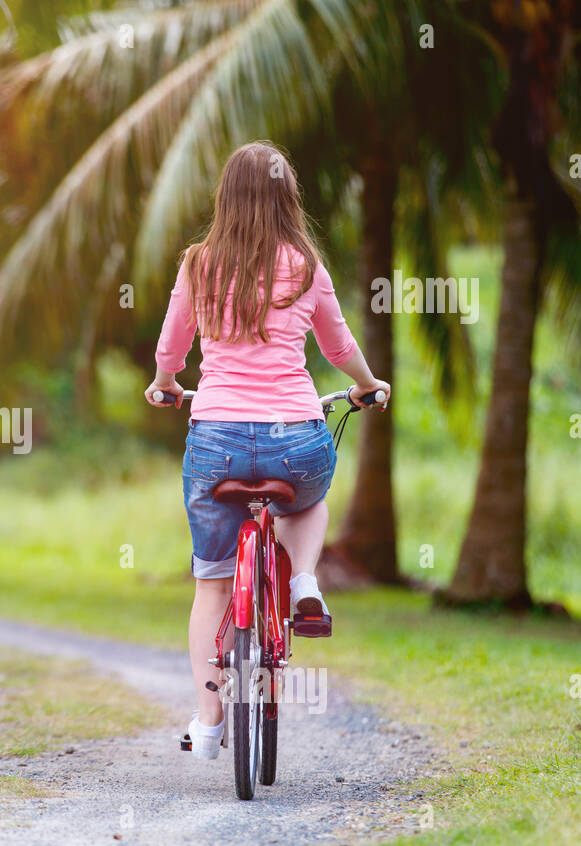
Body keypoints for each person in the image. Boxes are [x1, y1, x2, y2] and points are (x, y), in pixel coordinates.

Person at [143, 141, 390, 759]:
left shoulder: (199, 265)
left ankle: (208, 722)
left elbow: (171, 350)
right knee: (311, 501)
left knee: (211, 588)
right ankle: (304, 580)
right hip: (295, 439)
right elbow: (338, 350)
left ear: (225, 197)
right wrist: (367, 385)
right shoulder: (305, 265)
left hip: (217, 441)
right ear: (288, 196)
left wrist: (169, 385)